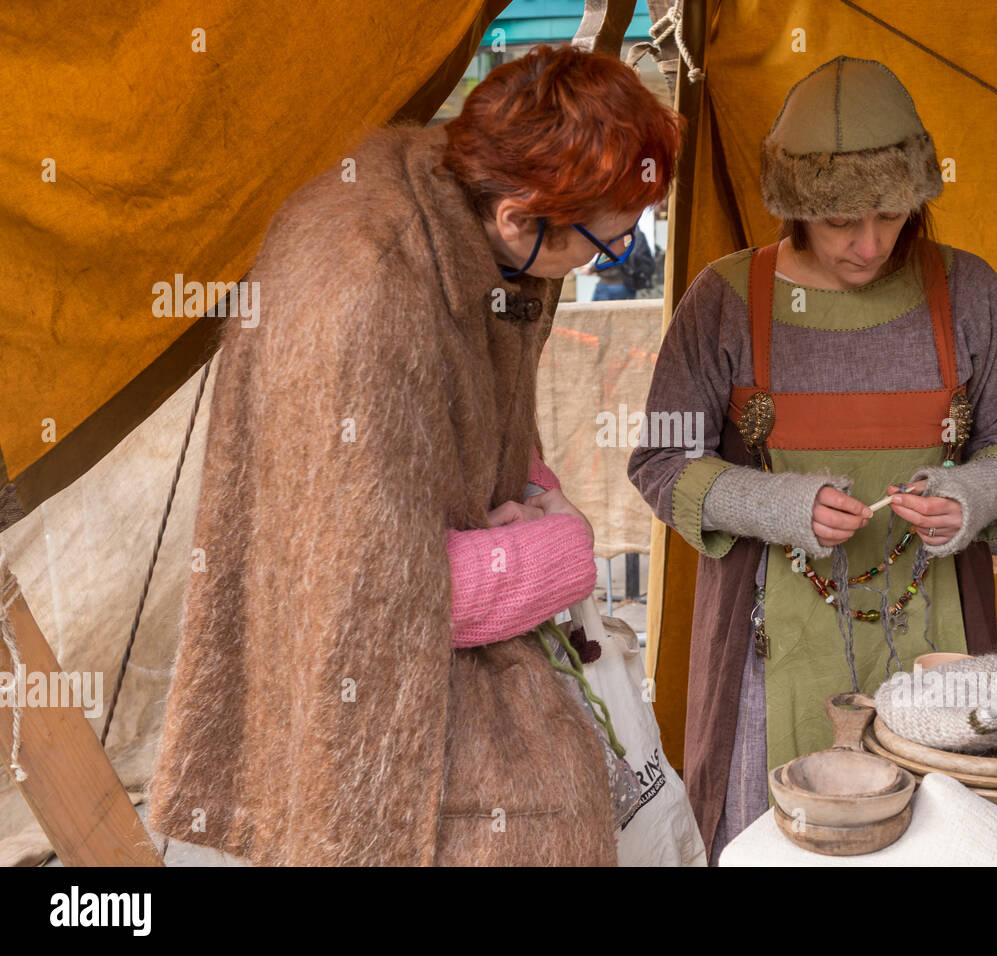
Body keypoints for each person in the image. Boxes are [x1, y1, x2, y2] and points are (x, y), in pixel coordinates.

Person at [148, 44, 682, 866]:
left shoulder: (469, 216)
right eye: (602, 246)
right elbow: (367, 598)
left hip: (442, 626)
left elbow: (480, 426)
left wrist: (532, 484)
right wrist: (560, 548)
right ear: (519, 215)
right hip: (365, 693)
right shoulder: (371, 290)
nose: (596, 267)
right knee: (549, 818)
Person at [627, 57, 997, 863]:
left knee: (946, 843)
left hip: (938, 647)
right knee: (774, 844)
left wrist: (970, 494)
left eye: (892, 215)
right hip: (768, 654)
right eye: (840, 222)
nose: (869, 243)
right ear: (796, 209)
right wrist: (778, 507)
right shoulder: (723, 300)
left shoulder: (969, 292)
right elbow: (658, 460)